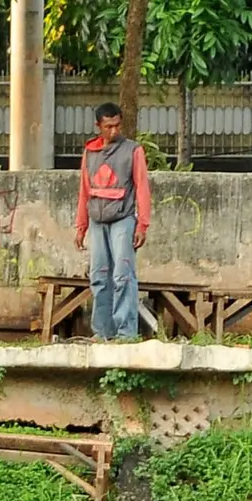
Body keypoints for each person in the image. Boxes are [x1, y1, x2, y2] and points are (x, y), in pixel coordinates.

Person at [73, 102, 151, 341]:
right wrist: (81, 226)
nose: (114, 131)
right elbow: (84, 191)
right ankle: (102, 331)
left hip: (123, 219)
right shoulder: (90, 152)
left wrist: (142, 224)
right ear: (98, 126)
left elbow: (142, 188)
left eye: (117, 125)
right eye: (108, 126)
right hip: (97, 221)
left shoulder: (133, 150)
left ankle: (126, 332)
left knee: (122, 276)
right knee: (99, 275)